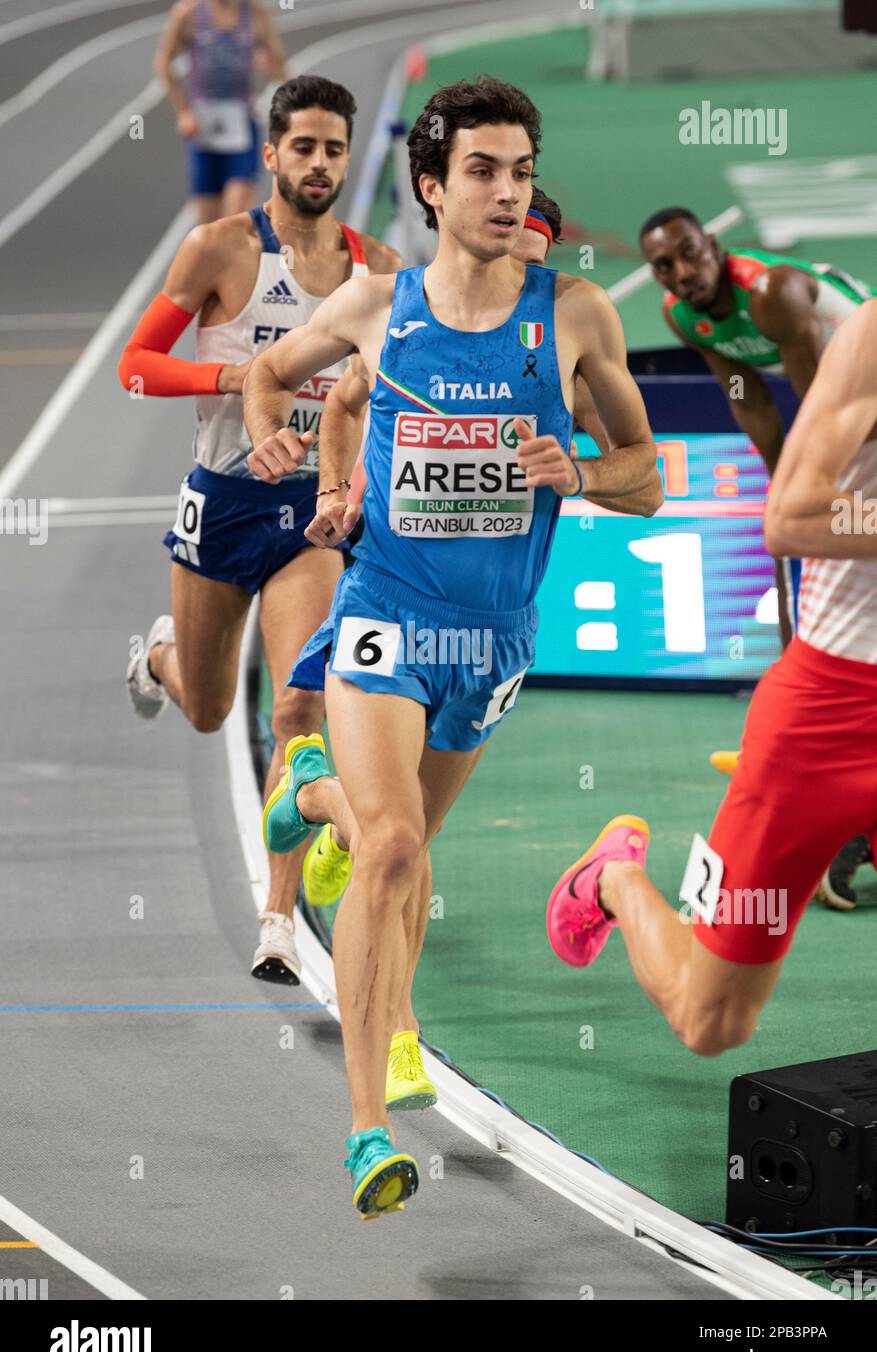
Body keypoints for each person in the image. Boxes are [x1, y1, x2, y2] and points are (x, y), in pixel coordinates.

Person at [242, 76, 661, 1218]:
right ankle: (368, 1127)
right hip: (387, 609)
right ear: (431, 187)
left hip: (492, 639)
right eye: (481, 170)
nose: (504, 191)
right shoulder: (380, 307)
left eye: (519, 171)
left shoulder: (572, 316)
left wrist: (582, 473)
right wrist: (297, 457)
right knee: (390, 850)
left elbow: (647, 472)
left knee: (408, 840)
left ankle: (304, 792)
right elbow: (270, 375)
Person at [120, 76, 401, 985]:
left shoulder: (379, 271)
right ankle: (160, 656)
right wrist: (233, 383)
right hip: (223, 498)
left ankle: (276, 919)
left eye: (333, 149)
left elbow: (384, 398)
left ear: (347, 159)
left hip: (309, 516)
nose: (318, 164)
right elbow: (135, 365)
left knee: (297, 705)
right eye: (303, 148)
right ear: (271, 154)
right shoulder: (219, 249)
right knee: (206, 709)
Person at [546, 298, 877, 1058]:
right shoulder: (868, 339)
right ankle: (614, 881)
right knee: (711, 1024)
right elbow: (789, 517)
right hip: (822, 724)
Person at [640, 207, 876, 906]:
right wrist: (782, 492)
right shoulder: (686, 317)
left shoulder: (772, 292)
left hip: (856, 410)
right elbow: (747, 398)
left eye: (689, 255)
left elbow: (817, 401)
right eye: (664, 266)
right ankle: (840, 826)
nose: (682, 274)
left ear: (712, 246)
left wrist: (805, 500)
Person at [155, 0, 286, 225]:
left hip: (242, 123)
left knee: (237, 217)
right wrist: (183, 111)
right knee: (208, 225)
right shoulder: (189, 13)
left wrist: (268, 65)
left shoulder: (256, 13)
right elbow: (163, 64)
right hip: (203, 125)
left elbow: (281, 70)